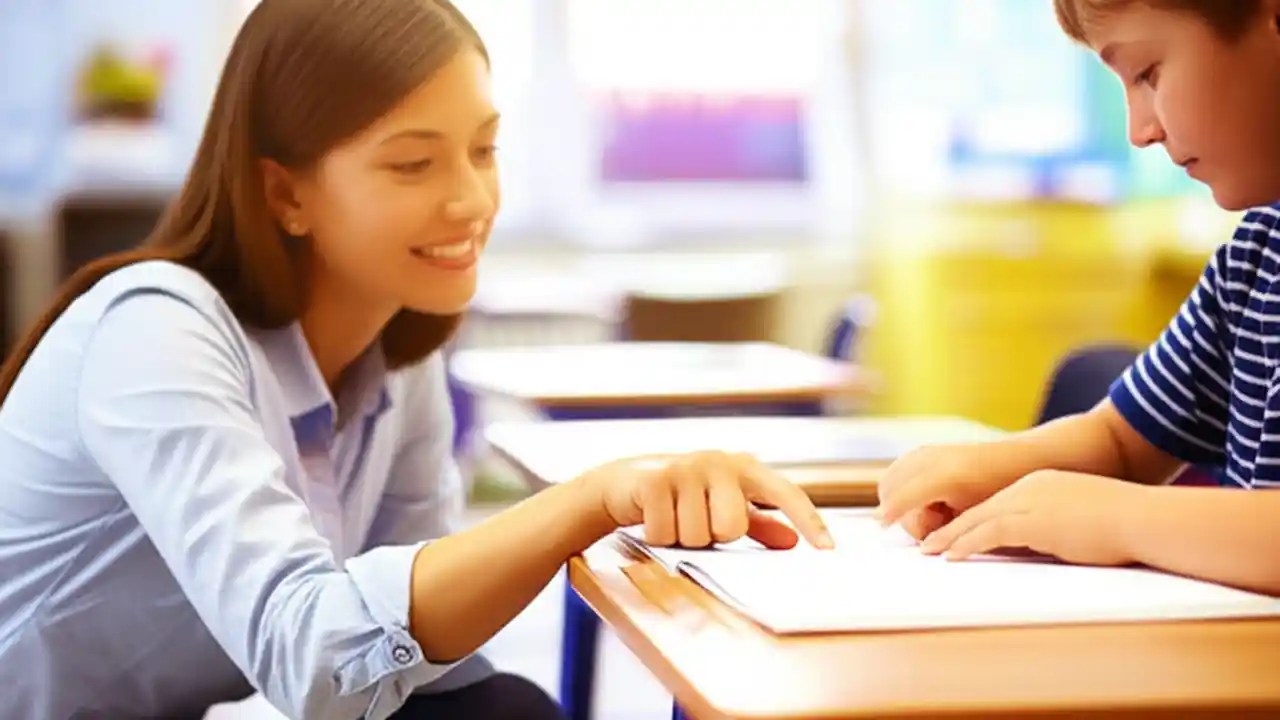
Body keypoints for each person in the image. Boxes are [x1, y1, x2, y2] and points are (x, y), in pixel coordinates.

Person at [0, 1, 833, 718]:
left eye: (484, 149)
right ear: (286, 194)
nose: (471, 200)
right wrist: (592, 500)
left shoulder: (396, 360)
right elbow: (319, 661)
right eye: (413, 163)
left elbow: (412, 672)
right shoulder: (156, 331)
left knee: (496, 709)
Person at [877, 0, 1280, 596]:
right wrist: (988, 475)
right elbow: (1121, 441)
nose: (1140, 130)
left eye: (1147, 73)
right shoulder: (1255, 257)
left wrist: (1115, 518)